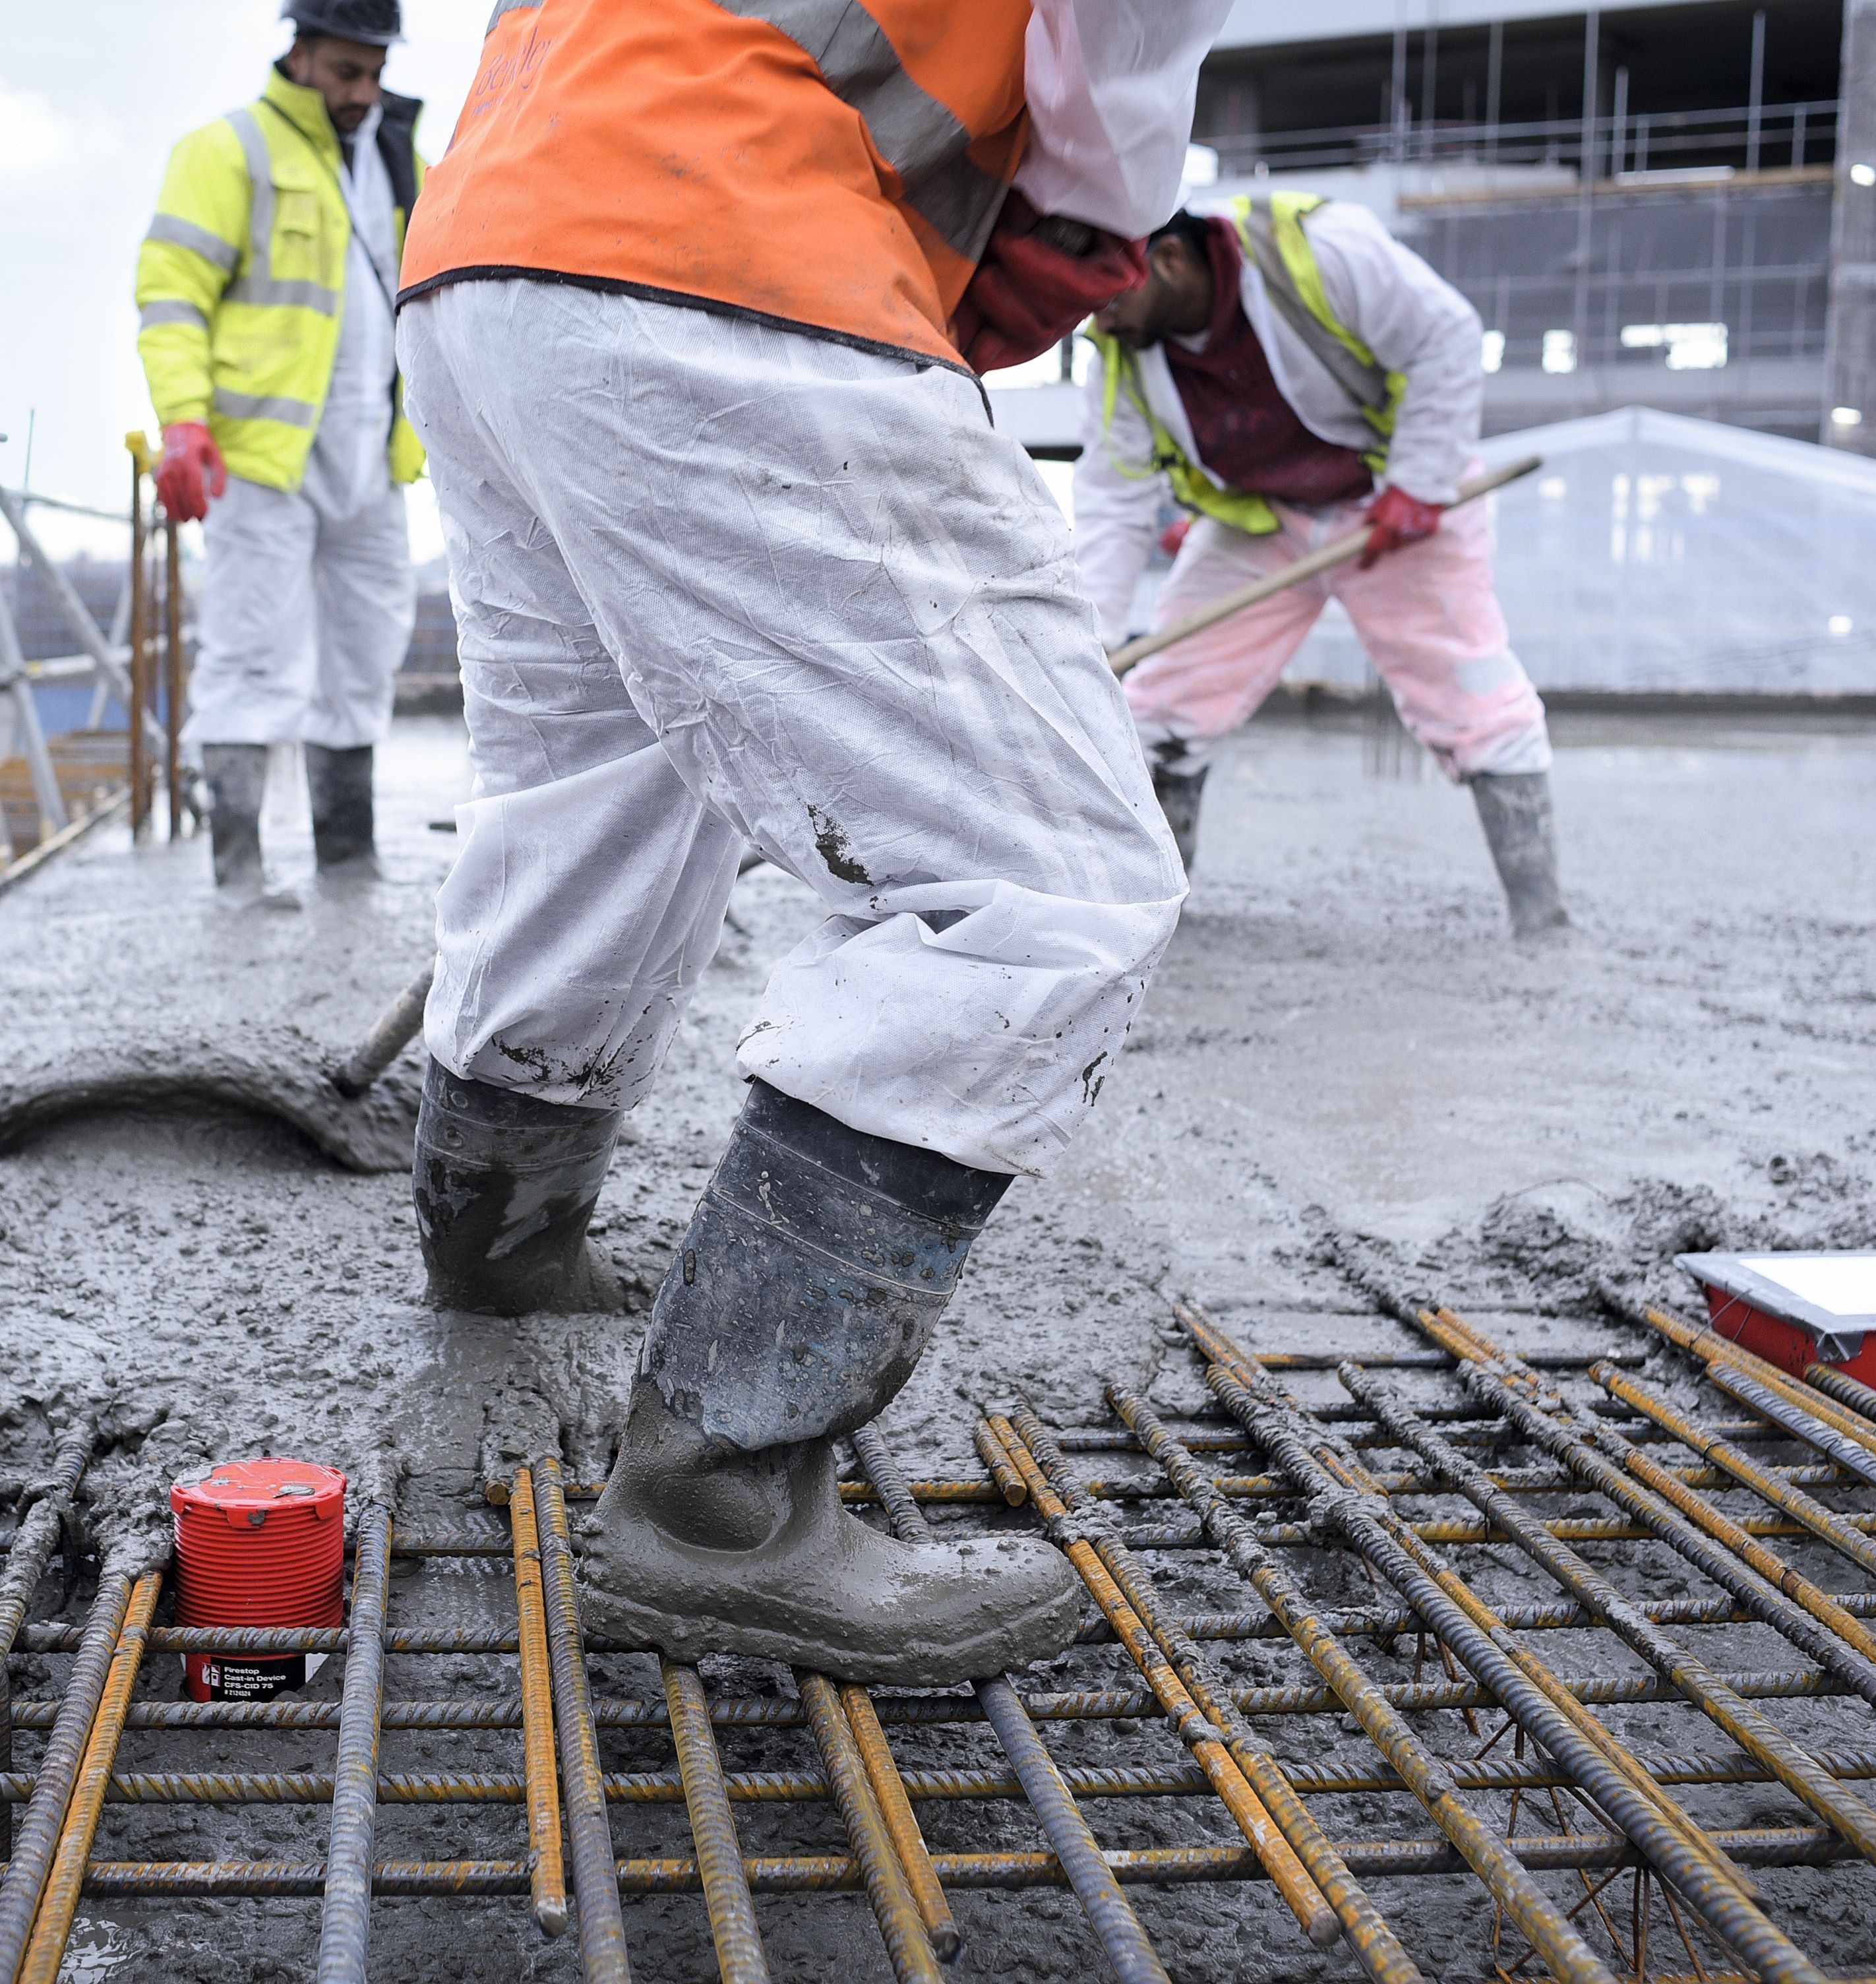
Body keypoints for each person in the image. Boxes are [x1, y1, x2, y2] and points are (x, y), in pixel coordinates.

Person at [394, 0, 1223, 1685]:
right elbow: (1120, 56)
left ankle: (499, 1241)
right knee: (1043, 883)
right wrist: (1080, 219)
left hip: (490, 252)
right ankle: (721, 1507)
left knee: (593, 783)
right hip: (733, 255)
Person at [1077, 195, 1571, 937]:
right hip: (1263, 521)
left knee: (1479, 704)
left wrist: (1419, 481)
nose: (1098, 323)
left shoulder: (1318, 252)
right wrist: (1094, 644)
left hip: (1393, 505)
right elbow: (1114, 505)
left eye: (1109, 301)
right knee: (1160, 707)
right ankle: (1154, 923)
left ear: (1168, 261)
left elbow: (1446, 335)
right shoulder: (1119, 355)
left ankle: (1543, 923)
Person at [134, 0, 425, 905]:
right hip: (261, 454)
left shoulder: (400, 157)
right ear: (299, 54)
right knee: (253, 653)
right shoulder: (227, 153)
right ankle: (239, 871)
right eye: (347, 71)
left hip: (372, 456)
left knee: (366, 649)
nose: (364, 91)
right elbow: (172, 295)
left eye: (375, 71)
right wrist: (183, 420)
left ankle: (347, 855)